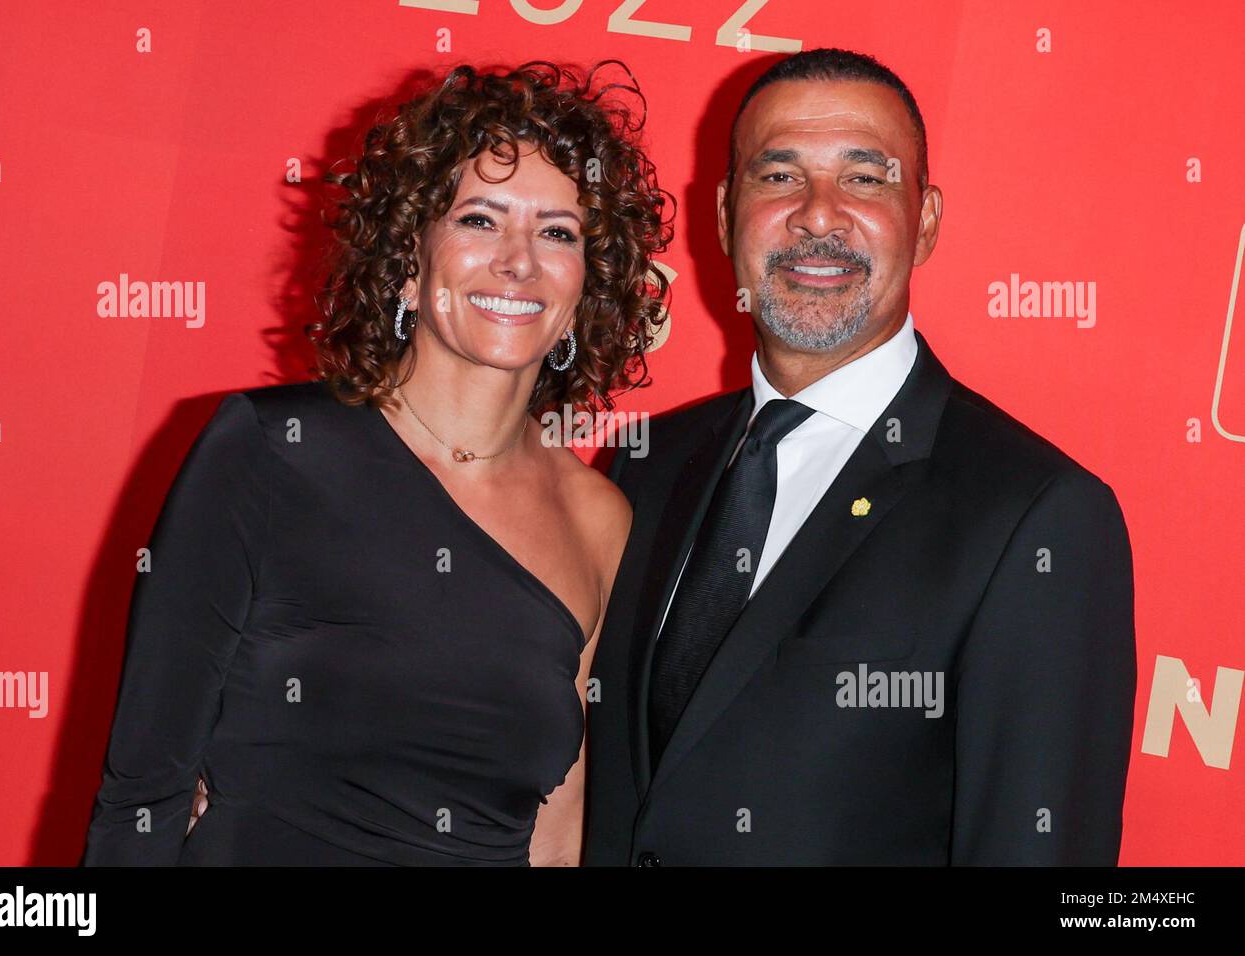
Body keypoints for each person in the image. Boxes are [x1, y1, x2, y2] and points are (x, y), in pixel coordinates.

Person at [80, 60, 674, 865]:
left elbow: (557, 831)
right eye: (479, 220)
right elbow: (140, 804)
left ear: (588, 287)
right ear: (408, 257)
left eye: (558, 232)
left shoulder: (599, 519)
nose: (519, 260)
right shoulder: (270, 451)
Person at [582, 48, 1137, 865]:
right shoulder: (646, 466)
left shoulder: (1036, 516)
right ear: (724, 212)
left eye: (865, 178)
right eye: (779, 177)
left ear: (928, 219)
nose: (816, 214)